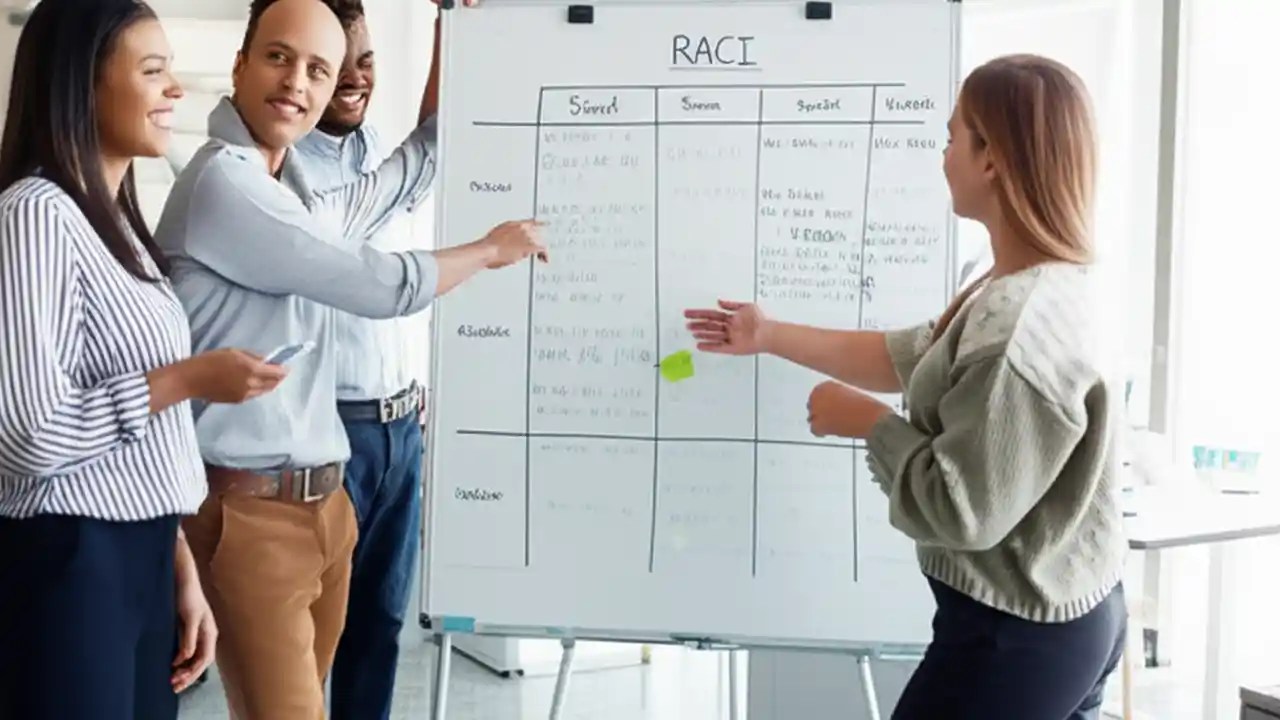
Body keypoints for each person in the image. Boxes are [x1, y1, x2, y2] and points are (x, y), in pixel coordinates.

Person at [685, 54, 1127, 720]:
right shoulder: (1026, 285)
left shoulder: (1017, 327)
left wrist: (867, 423)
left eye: (953, 137)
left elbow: (962, 512)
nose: (942, 155)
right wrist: (768, 334)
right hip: (1068, 611)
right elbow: (910, 356)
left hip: (1016, 634)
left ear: (991, 159)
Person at [154, 0, 545, 716]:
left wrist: (452, 29)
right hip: (250, 512)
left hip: (323, 507)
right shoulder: (226, 185)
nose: (297, 82)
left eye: (318, 68)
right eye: (278, 57)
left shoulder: (291, 192)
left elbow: (410, 168)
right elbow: (377, 283)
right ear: (240, 66)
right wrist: (490, 250)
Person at [0, 1, 289, 718]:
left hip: (138, 556)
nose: (174, 91)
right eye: (151, 70)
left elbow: (137, 452)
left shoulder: (120, 226)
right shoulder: (33, 214)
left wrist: (178, 565)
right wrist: (190, 379)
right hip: (70, 564)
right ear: (83, 85)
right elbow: (27, 438)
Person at [288, 2, 437, 716]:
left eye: (366, 60)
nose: (353, 78)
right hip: (332, 435)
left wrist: (448, 28)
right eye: (333, 65)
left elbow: (435, 147)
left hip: (403, 428)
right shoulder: (287, 171)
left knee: (380, 627)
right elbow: (429, 154)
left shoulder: (377, 147)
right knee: (314, 635)